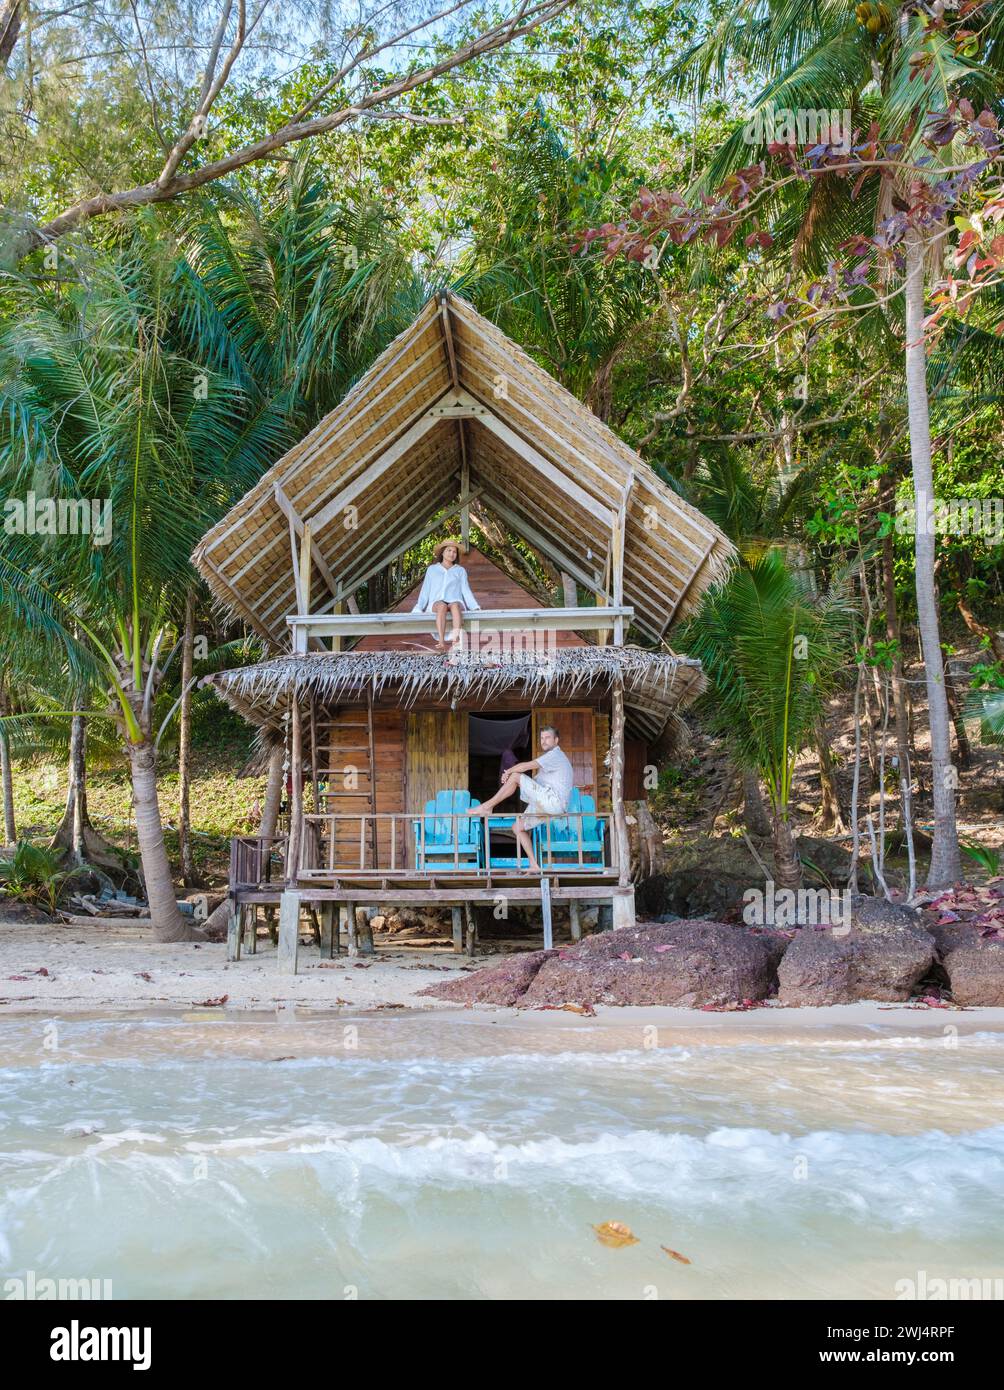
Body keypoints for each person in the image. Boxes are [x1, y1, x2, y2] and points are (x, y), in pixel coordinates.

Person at [468, 725, 574, 873]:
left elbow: (527, 767)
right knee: (517, 827)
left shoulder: (555, 755)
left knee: (517, 776)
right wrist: (512, 778)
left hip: (553, 801)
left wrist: (510, 772)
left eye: (548, 738)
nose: (543, 741)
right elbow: (530, 784)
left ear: (556, 740)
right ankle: (534, 865)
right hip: (548, 803)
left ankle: (487, 806)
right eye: (542, 738)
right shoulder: (547, 766)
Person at [412, 539, 480, 651]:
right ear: (442, 552)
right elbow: (425, 590)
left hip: (455, 601)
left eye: (454, 552)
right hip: (437, 602)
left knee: (455, 605)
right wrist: (419, 607)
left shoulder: (460, 571)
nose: (452, 553)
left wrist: (474, 607)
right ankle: (441, 640)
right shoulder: (432, 569)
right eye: (449, 550)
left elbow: (465, 590)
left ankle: (456, 638)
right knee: (442, 606)